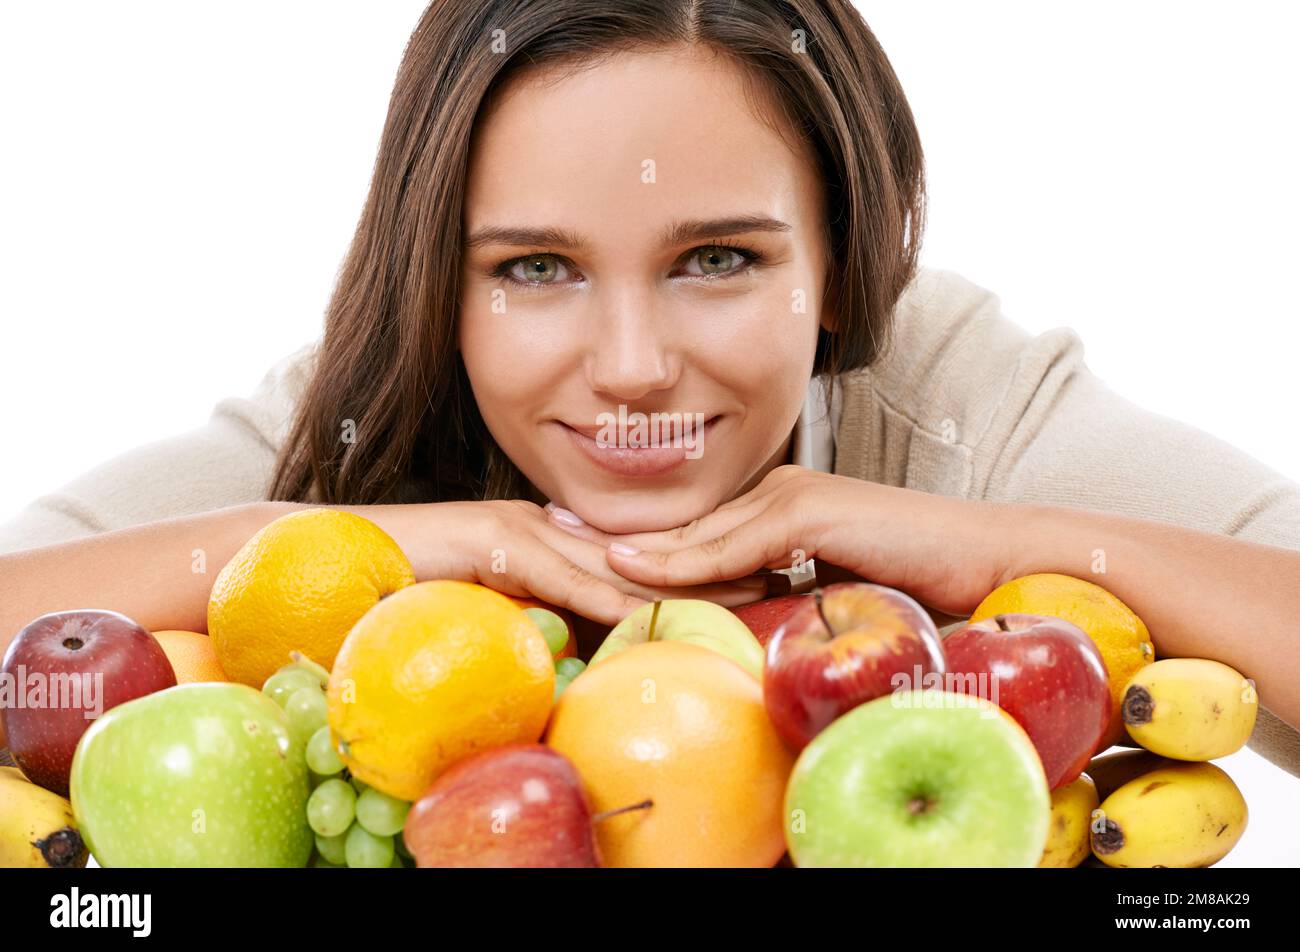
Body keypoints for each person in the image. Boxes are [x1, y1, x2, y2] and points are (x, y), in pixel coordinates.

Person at [2, 0, 1298, 776]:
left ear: (844, 264)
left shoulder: (944, 390)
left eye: (719, 259)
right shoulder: (371, 411)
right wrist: (397, 541)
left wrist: (976, 541)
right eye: (536, 268)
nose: (628, 368)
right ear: (441, 286)